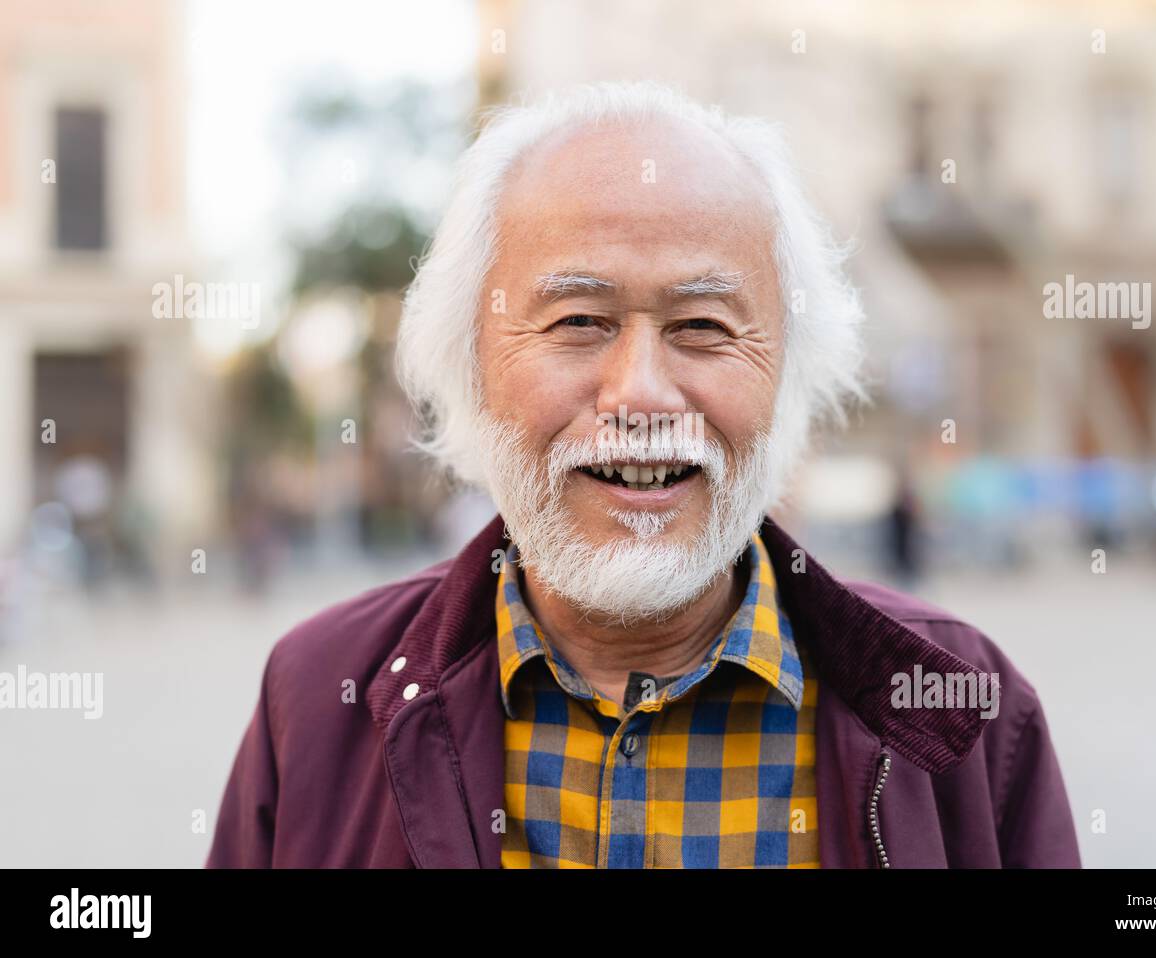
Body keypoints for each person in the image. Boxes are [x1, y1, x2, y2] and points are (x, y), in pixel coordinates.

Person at [208, 81, 1079, 868]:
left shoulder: (964, 709)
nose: (641, 394)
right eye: (580, 319)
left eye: (702, 325)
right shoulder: (320, 696)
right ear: (470, 367)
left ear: (789, 372)